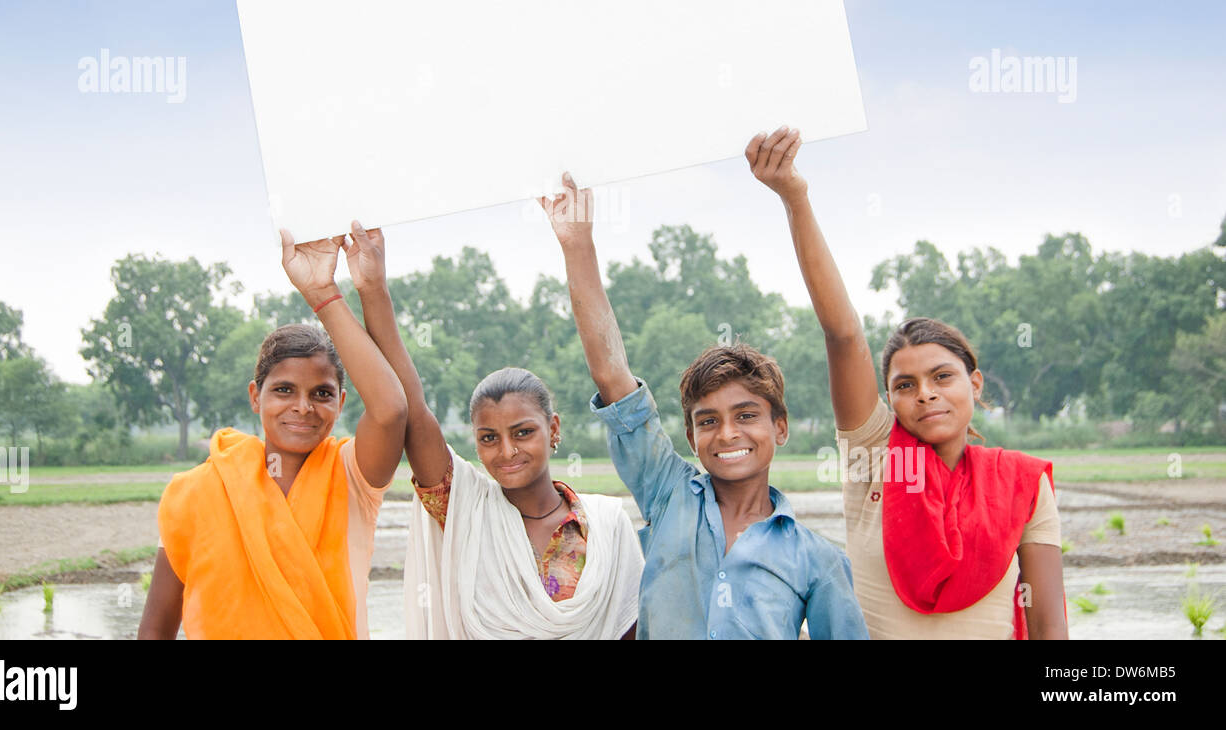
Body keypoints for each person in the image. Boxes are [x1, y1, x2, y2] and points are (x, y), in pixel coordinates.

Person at [746, 125, 1067, 639]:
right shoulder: (874, 454)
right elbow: (843, 333)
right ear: (890, 398)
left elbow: (1049, 623)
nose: (925, 393)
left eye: (942, 376)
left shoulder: (1023, 485)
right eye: (904, 385)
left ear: (976, 383)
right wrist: (794, 197)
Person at [542, 173, 869, 640]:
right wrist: (577, 246)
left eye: (747, 415)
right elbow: (612, 373)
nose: (729, 433)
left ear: (781, 427)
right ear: (692, 437)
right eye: (708, 421)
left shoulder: (816, 560)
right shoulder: (667, 492)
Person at [340, 221, 643, 639]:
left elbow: (630, 628)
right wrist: (373, 289)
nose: (506, 451)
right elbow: (413, 411)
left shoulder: (606, 523)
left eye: (522, 433)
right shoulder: (467, 512)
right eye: (489, 438)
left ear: (553, 428)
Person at [137, 230, 408, 639]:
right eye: (284, 390)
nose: (302, 407)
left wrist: (325, 295)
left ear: (341, 401)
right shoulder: (196, 493)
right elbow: (155, 632)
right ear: (255, 396)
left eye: (322, 394)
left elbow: (391, 410)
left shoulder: (353, 475)